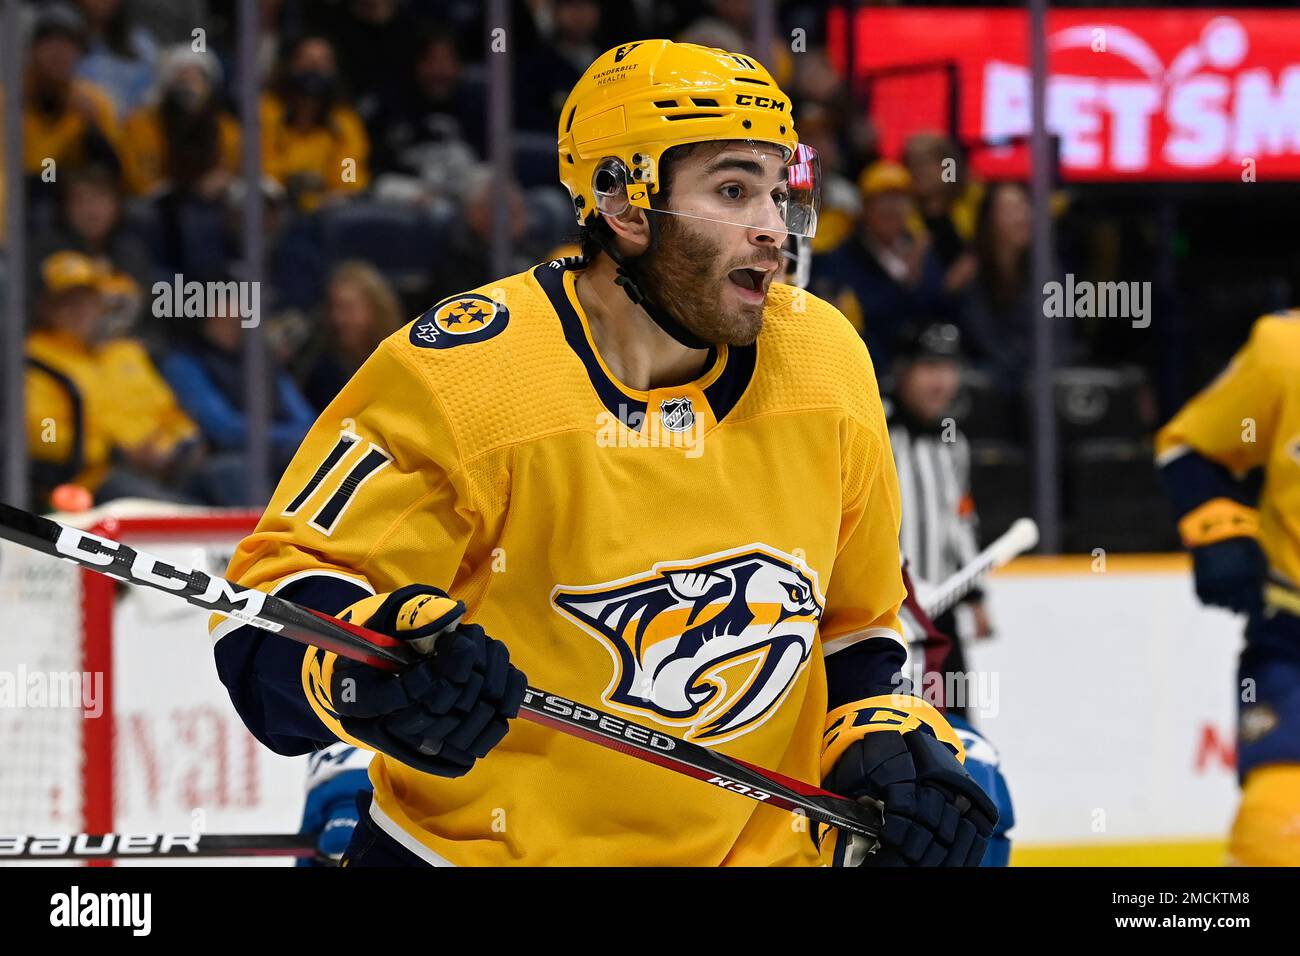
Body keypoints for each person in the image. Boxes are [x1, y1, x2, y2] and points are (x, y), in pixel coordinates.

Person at [211, 39, 994, 867]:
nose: (773, 230)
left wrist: (876, 733)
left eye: (778, 190)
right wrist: (367, 667)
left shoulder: (825, 359)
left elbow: (856, 625)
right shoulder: (468, 374)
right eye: (733, 190)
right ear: (624, 206)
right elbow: (265, 613)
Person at [1155, 310, 1300, 866]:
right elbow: (1190, 445)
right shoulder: (1284, 352)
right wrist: (1219, 530)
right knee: (1276, 831)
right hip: (1293, 633)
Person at [25, 251, 202, 505]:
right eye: (66, 302)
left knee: (228, 474)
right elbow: (44, 435)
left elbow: (170, 411)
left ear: (101, 304)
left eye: (86, 300)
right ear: (46, 308)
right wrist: (113, 452)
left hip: (162, 465)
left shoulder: (125, 352)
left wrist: (175, 445)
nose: (79, 310)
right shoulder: (37, 357)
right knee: (174, 510)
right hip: (90, 479)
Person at [886, 322, 993, 721]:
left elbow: (960, 521)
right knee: (897, 726)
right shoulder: (875, 430)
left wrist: (976, 596)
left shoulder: (954, 443)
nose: (941, 381)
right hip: (889, 613)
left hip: (942, 614)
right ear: (903, 371)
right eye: (929, 367)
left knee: (957, 729)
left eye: (949, 368)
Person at [810, 160, 950, 371]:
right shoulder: (839, 259)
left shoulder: (922, 251)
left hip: (922, 367)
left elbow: (938, 310)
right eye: (883, 200)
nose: (892, 208)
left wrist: (916, 281)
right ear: (865, 207)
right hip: (869, 368)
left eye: (900, 199)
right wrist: (903, 284)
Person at [260, 35, 369, 212]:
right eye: (307, 59)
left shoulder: (345, 121)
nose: (315, 67)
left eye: (323, 61)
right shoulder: (267, 111)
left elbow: (349, 174)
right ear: (291, 65)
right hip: (276, 206)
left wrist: (335, 191)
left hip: (327, 209)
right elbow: (263, 168)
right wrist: (291, 184)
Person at [298, 261, 405, 412]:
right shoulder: (322, 369)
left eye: (347, 308)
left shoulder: (401, 362)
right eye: (333, 307)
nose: (337, 319)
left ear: (376, 309)